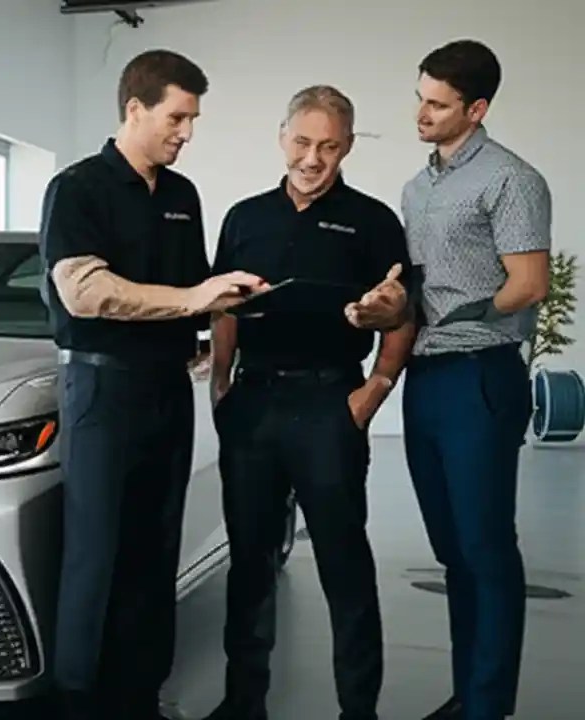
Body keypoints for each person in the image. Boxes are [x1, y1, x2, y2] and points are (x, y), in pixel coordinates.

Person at [38, 49, 267, 720]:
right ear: (134, 108)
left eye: (193, 119)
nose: (186, 133)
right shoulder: (78, 188)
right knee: (96, 551)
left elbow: (191, 293)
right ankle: (80, 698)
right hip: (102, 393)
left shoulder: (181, 195)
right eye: (177, 117)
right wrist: (195, 297)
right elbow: (86, 293)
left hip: (169, 388)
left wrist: (233, 299)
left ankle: (141, 695)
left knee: (155, 546)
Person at [200, 85, 415, 720]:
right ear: (282, 137)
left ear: (347, 146)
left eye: (328, 145)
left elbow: (403, 314)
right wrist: (220, 382)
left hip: (330, 404)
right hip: (255, 404)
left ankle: (358, 710)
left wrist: (372, 392)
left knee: (344, 565)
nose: (313, 157)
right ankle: (244, 704)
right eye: (303, 141)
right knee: (250, 563)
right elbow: (224, 305)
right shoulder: (245, 216)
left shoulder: (374, 221)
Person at [400, 39, 551, 720]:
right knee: (453, 549)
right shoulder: (418, 185)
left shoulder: (511, 179)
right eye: (420, 97)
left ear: (477, 108)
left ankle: (489, 708)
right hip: (425, 377)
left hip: (480, 375)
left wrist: (463, 311)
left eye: (437, 104)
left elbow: (530, 283)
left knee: (486, 547)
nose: (421, 113)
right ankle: (468, 696)